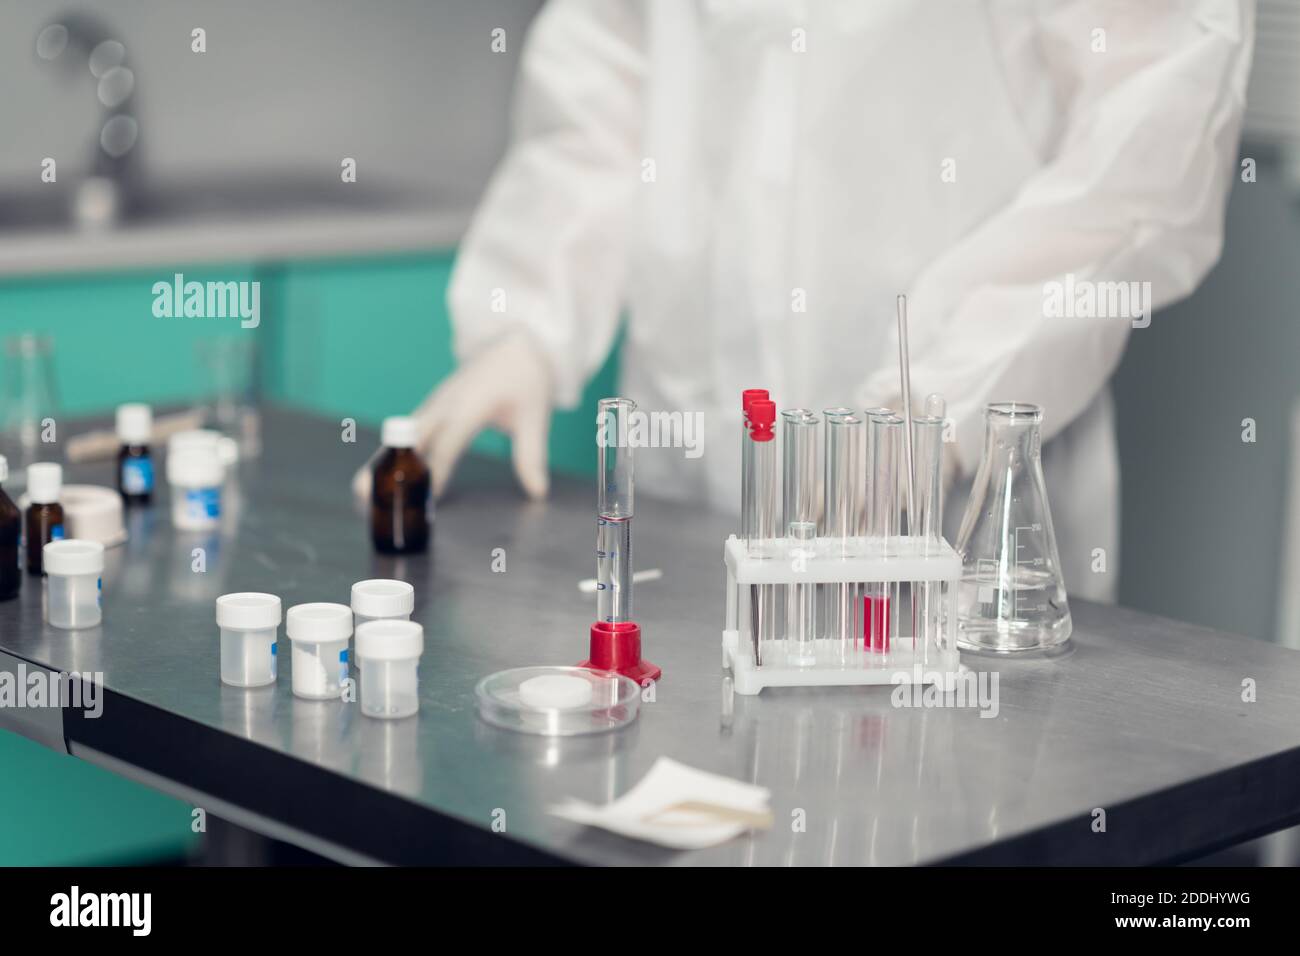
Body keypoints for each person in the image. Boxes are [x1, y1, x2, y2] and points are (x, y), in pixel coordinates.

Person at [355, 0, 1253, 602]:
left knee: (948, 814)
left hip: (961, 491)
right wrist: (527, 321)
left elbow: (1149, 149)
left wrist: (938, 406)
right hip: (691, 483)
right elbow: (605, 83)